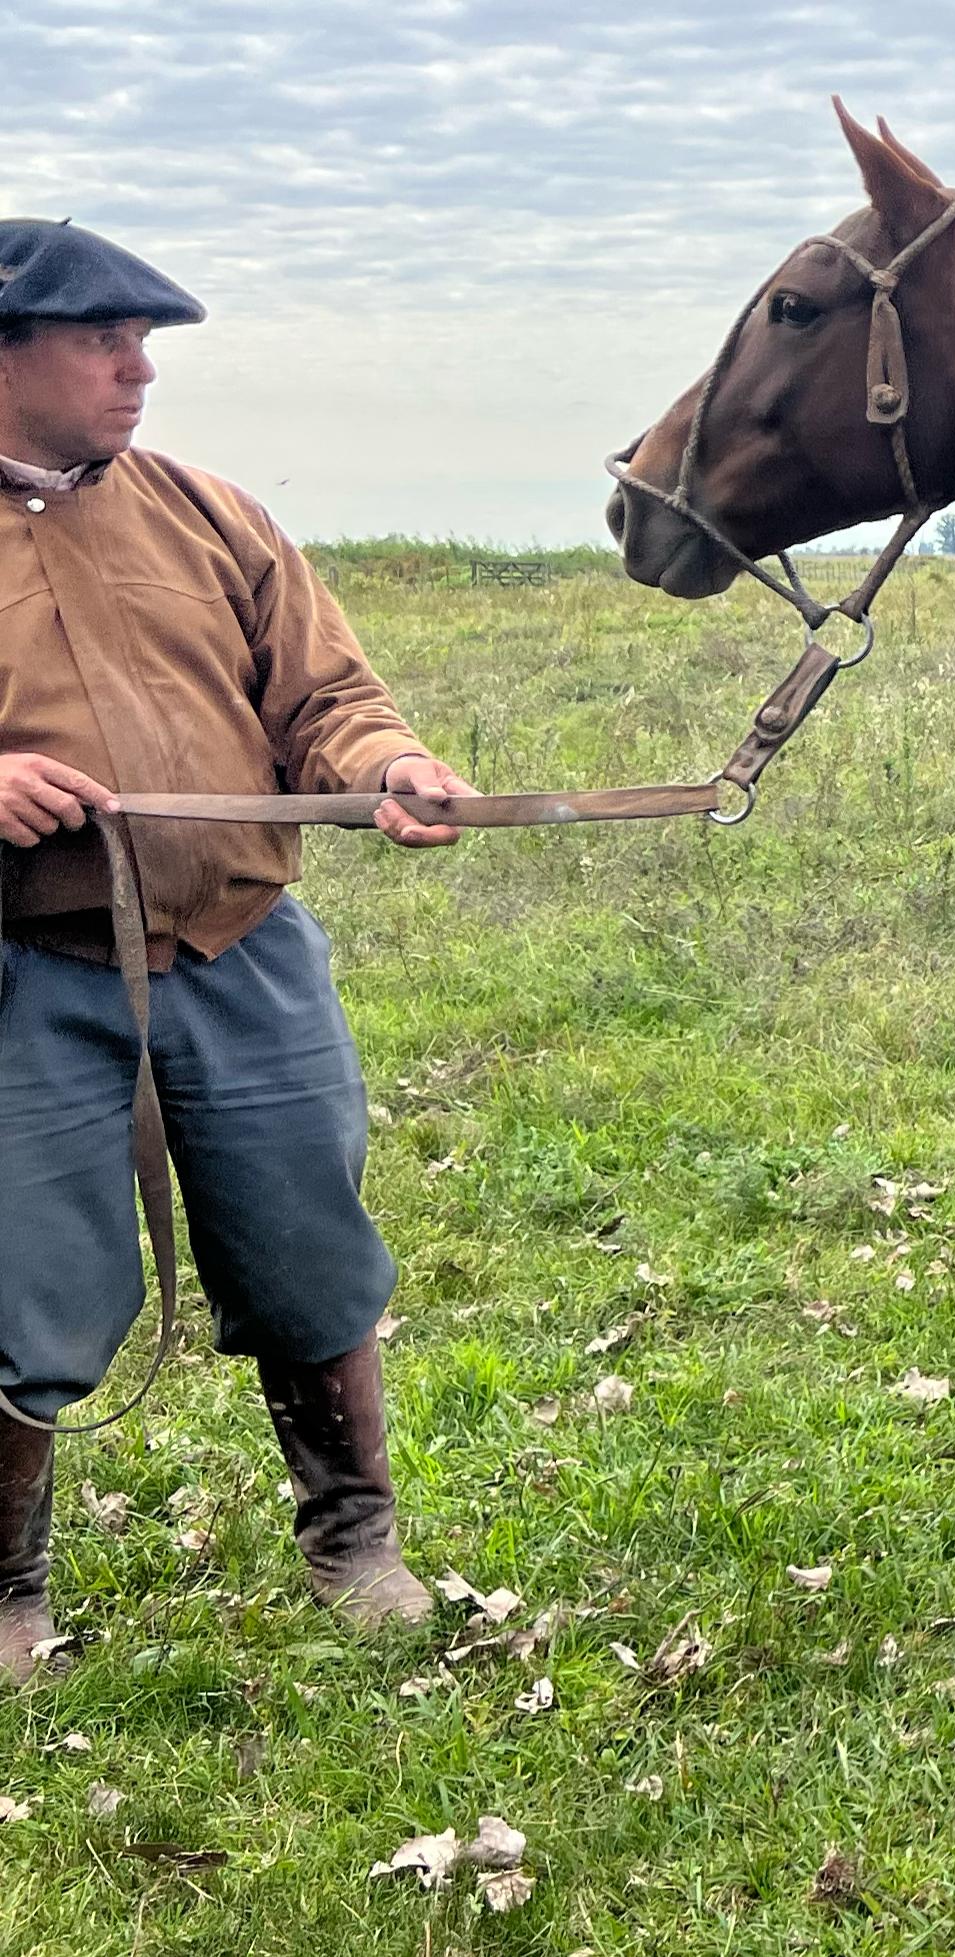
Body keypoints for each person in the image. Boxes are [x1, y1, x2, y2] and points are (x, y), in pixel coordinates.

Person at [1, 218, 482, 1682]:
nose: (140, 371)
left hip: (244, 949)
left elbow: (325, 691)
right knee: (24, 1284)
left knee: (310, 1253)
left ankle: (356, 1544)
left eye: (148, 342)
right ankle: (3, 1594)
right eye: (105, 340)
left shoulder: (210, 513)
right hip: (34, 973)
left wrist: (388, 758)